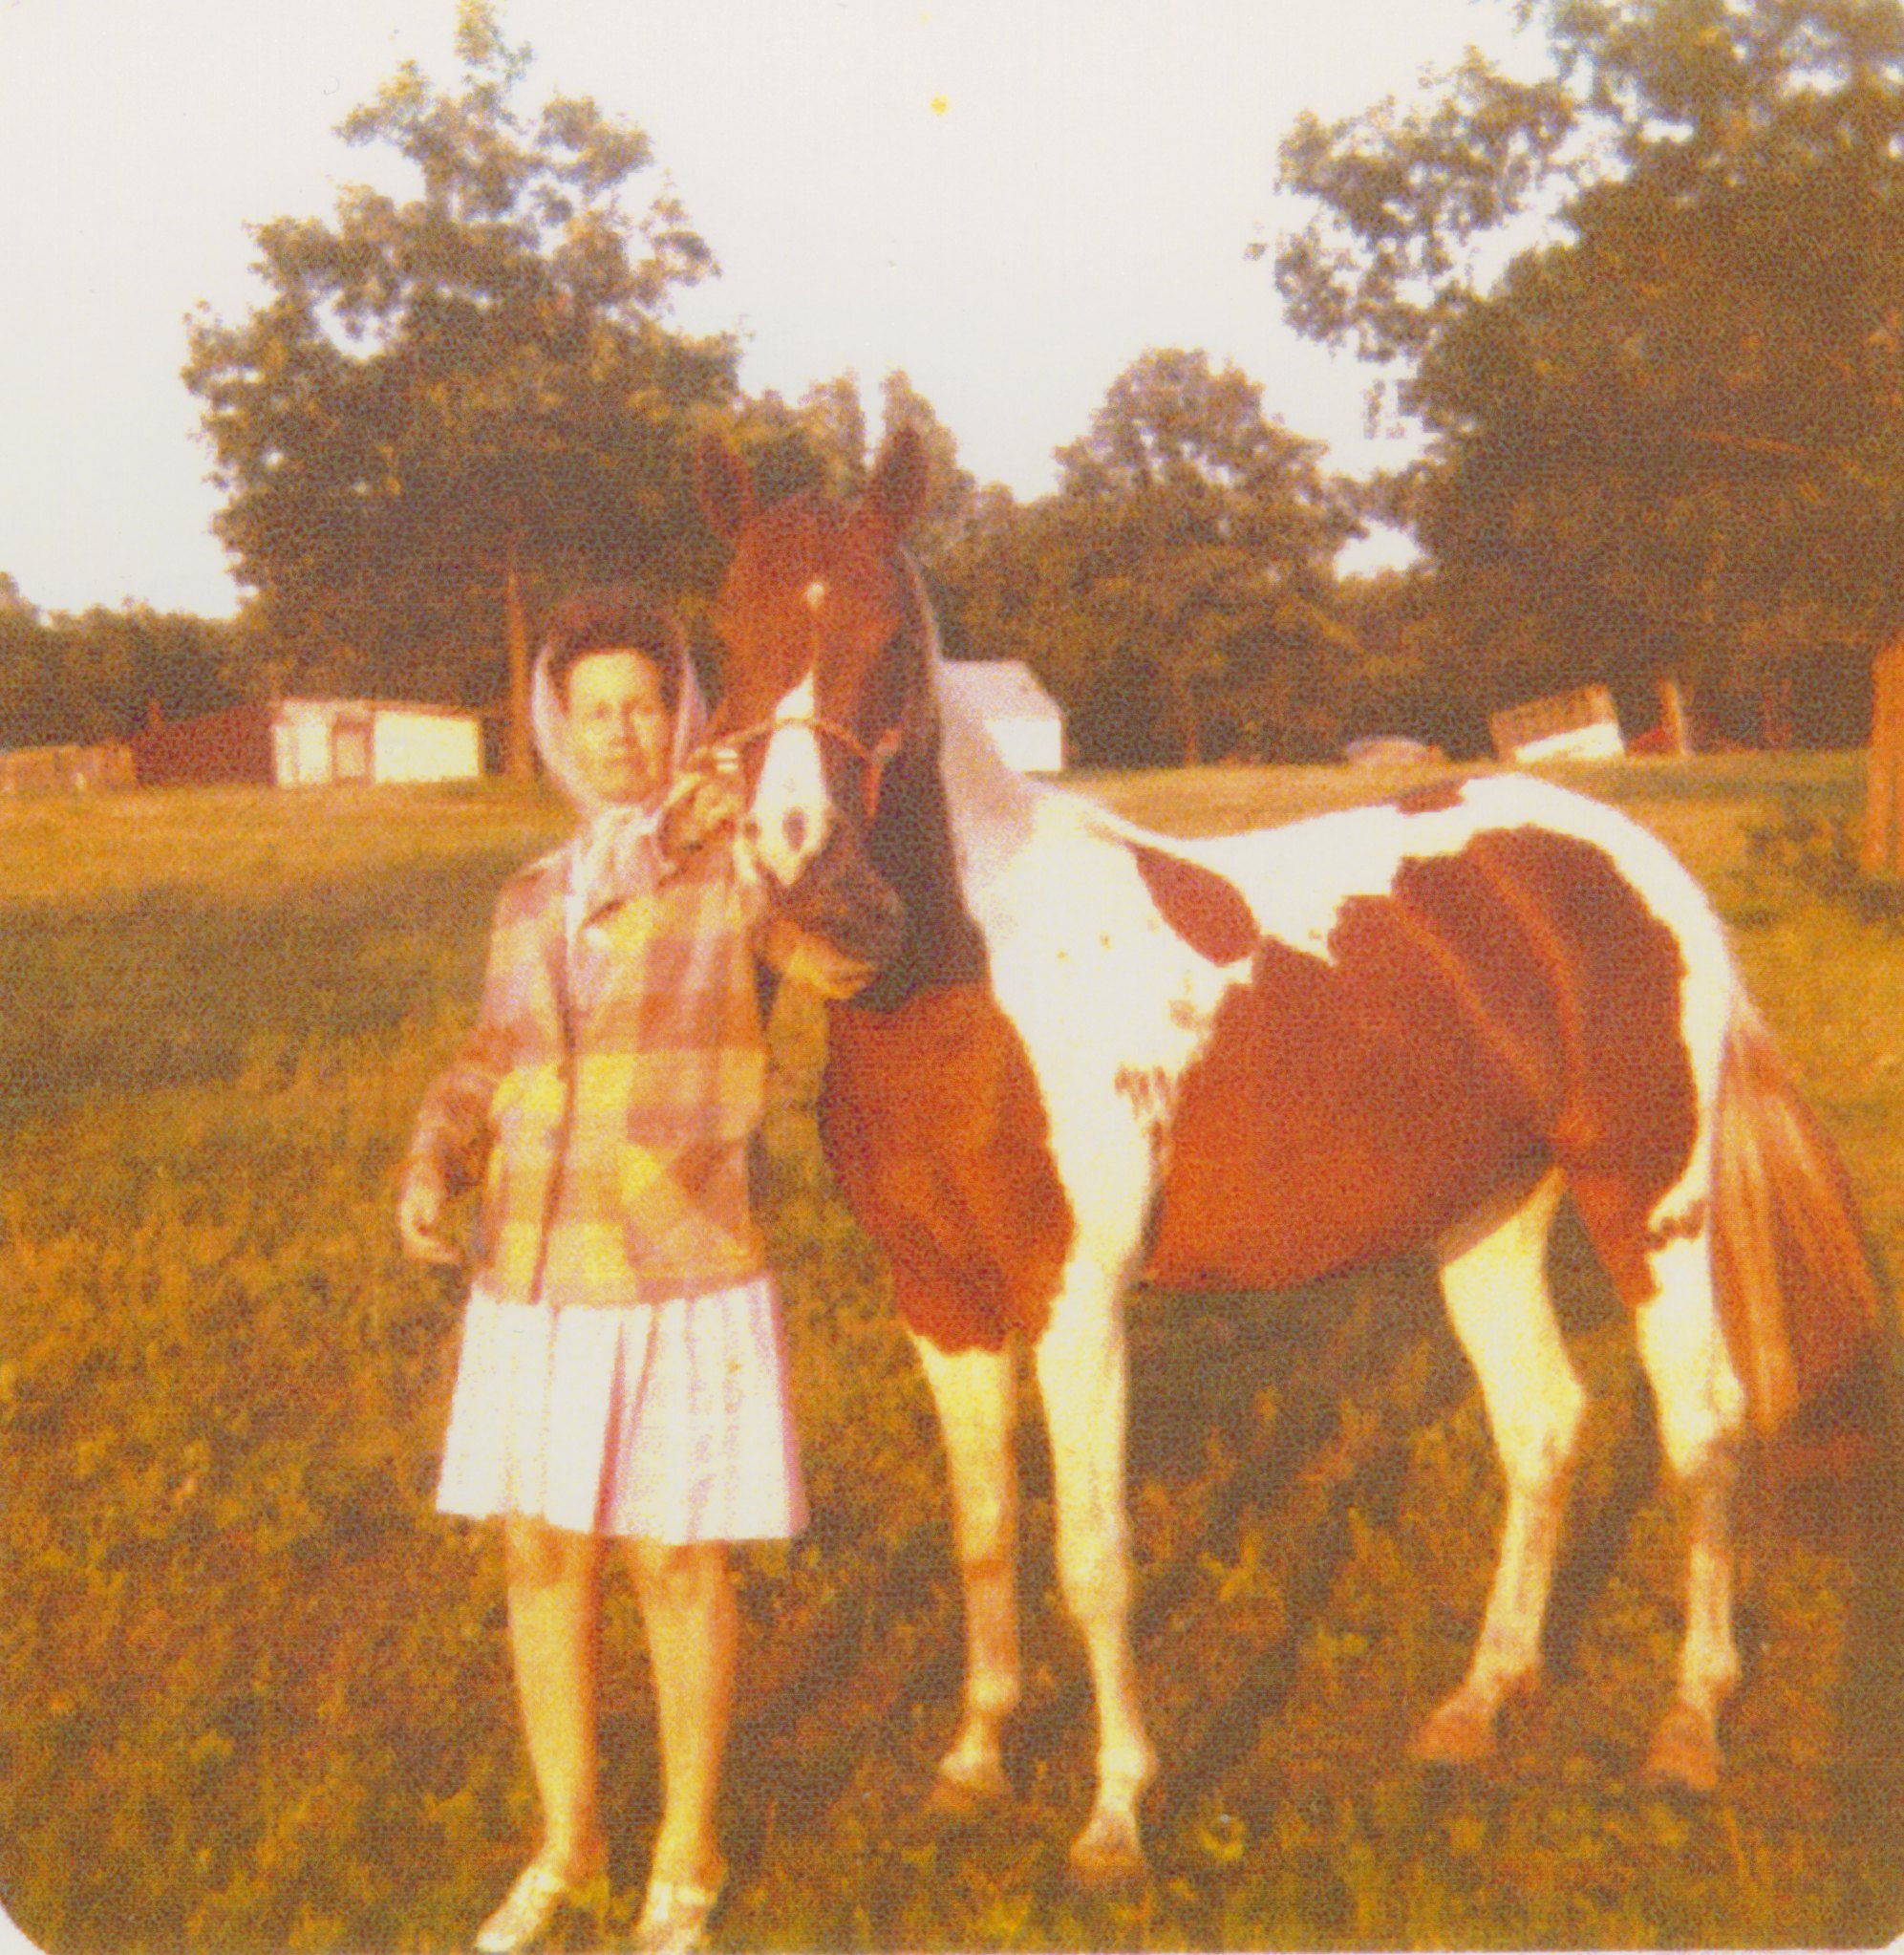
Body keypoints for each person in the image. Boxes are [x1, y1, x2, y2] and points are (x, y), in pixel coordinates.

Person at [397, 591, 804, 1955]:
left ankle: (683, 1855)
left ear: (678, 712)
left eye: (644, 704)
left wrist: (739, 810)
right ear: (557, 730)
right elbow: (494, 1052)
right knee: (541, 1551)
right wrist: (430, 1159)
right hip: (530, 1270)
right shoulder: (531, 894)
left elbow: (851, 926)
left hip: (676, 1265)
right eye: (594, 711)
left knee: (676, 1558)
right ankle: (566, 1840)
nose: (622, 732)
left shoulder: (736, 860)